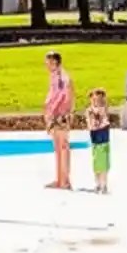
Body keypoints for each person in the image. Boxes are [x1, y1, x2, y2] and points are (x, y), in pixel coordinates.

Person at [43, 50, 74, 189]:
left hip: (60, 115)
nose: (47, 65)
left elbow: (63, 96)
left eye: (48, 62)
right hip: (55, 115)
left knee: (62, 146)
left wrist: (53, 113)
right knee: (58, 147)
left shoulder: (62, 77)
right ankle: (60, 179)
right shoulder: (55, 76)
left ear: (55, 62)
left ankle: (65, 180)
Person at [86, 88, 112, 194]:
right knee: (96, 163)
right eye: (94, 100)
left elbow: (103, 118)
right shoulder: (89, 111)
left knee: (104, 163)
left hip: (104, 139)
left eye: (98, 100)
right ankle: (98, 184)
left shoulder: (104, 109)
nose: (96, 102)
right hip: (95, 139)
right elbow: (90, 124)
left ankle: (104, 184)